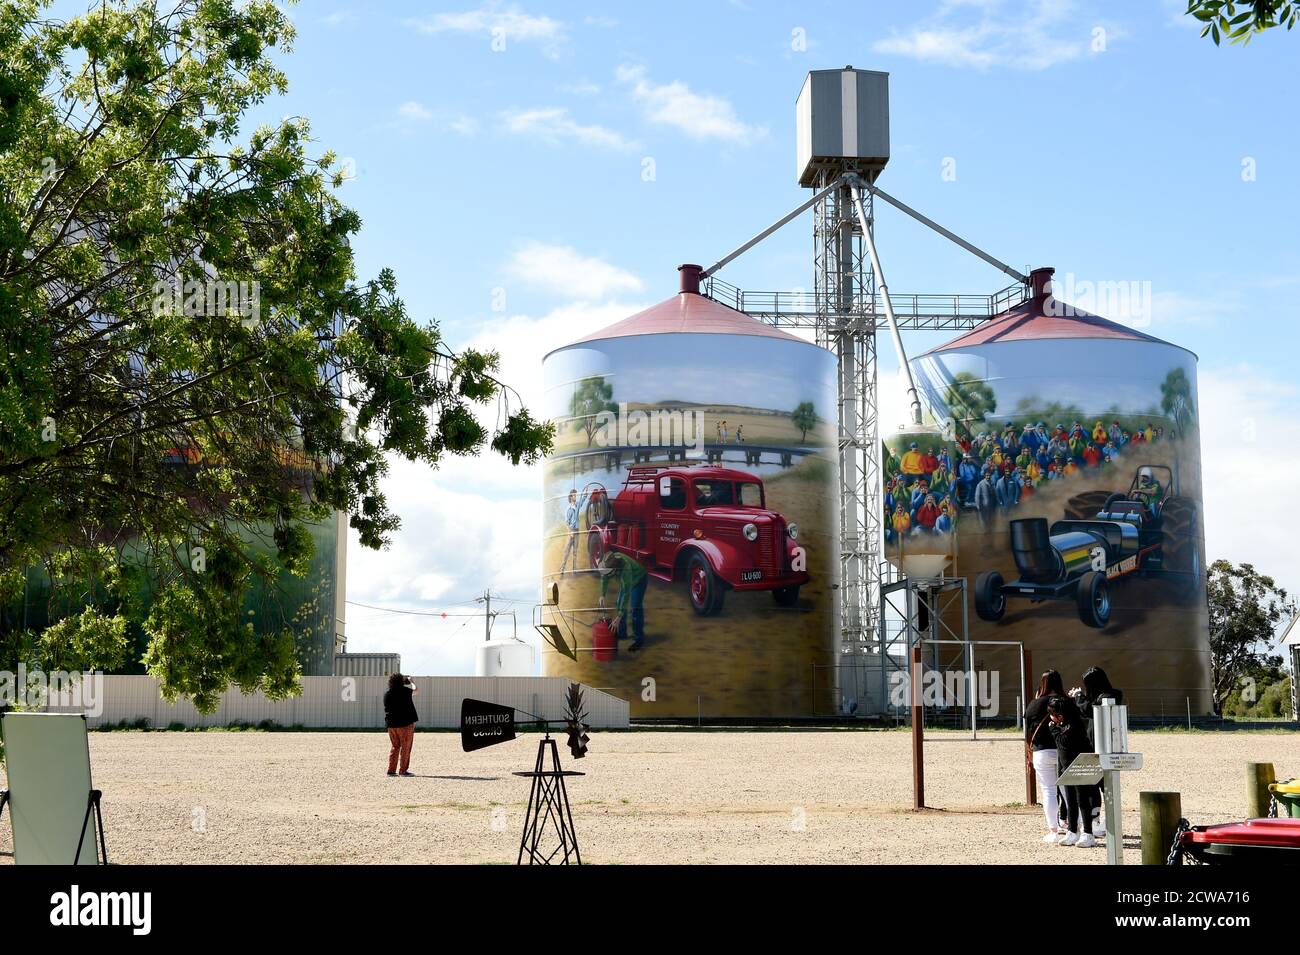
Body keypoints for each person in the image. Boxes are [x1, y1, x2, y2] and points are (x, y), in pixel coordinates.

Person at [1048, 695, 1097, 847]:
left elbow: (1062, 742)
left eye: (1052, 715)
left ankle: (1088, 833)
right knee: (1070, 802)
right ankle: (1072, 832)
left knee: (1082, 800)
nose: (1051, 718)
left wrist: (1054, 730)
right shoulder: (1065, 723)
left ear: (1060, 715)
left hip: (1078, 767)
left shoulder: (1073, 725)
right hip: (1066, 768)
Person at [1025, 669, 1068, 843]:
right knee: (1068, 790)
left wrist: (1029, 753)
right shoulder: (1065, 702)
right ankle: (1077, 827)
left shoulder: (1034, 705)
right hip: (1064, 750)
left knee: (1048, 791)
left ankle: (1053, 831)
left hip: (1041, 751)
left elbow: (1028, 731)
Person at [599, 550, 648, 652]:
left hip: (639, 579)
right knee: (619, 603)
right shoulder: (610, 562)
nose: (607, 575)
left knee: (635, 607)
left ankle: (639, 639)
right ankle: (622, 633)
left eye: (609, 573)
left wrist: (619, 616)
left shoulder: (625, 570)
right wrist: (602, 595)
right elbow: (604, 577)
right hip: (627, 581)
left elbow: (626, 594)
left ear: (615, 571)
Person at [383, 673, 419, 777]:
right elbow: (416, 690)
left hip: (391, 725)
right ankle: (403, 770)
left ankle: (391, 770)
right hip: (405, 724)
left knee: (395, 746)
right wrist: (411, 681)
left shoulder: (387, 694)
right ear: (401, 681)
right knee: (406, 747)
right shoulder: (405, 691)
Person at [558, 488, 589, 575]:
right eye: (574, 495)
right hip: (571, 532)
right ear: (571, 497)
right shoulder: (568, 509)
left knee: (575, 551)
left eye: (576, 495)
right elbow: (566, 523)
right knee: (567, 551)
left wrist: (586, 493)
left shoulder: (578, 504)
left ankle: (574, 570)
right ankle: (562, 569)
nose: (576, 496)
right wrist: (570, 532)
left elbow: (582, 501)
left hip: (577, 531)